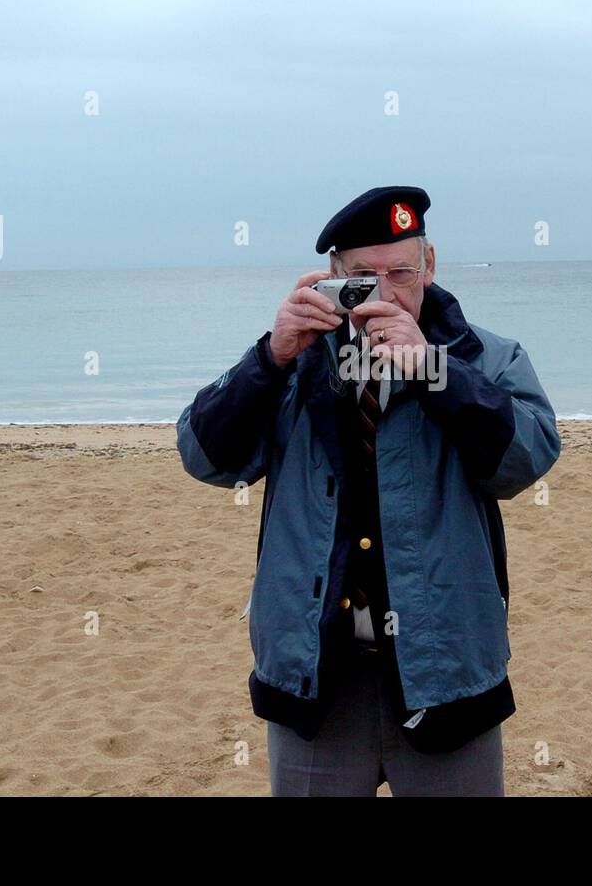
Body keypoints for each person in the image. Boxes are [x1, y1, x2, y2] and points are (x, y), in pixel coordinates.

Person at [176, 185, 560, 795]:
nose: (383, 291)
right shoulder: (295, 361)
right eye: (362, 275)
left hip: (445, 669)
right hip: (318, 673)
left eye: (401, 271)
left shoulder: (485, 357)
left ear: (429, 266)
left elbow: (525, 460)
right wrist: (269, 359)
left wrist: (436, 369)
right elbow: (204, 457)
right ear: (332, 276)